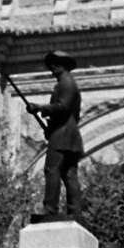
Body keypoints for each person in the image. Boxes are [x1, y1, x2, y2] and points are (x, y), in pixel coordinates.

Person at [35, 49, 82, 217]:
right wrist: (49, 127)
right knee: (68, 174)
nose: (52, 67)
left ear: (63, 65)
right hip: (66, 135)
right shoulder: (64, 83)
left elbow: (63, 107)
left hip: (63, 136)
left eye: (55, 63)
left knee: (52, 169)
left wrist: (41, 108)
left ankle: (50, 209)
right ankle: (74, 211)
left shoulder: (66, 83)